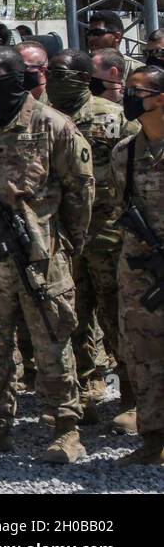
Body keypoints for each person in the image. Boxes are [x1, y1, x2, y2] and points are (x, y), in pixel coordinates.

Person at [0, 46, 94, 463]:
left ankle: (65, 427)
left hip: (40, 255)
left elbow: (80, 192)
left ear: (16, 79)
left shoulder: (53, 125)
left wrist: (67, 243)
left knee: (52, 339)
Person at [47, 49, 137, 424]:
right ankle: (86, 387)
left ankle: (132, 395)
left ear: (84, 78)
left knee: (116, 315)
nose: (52, 79)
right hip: (65, 236)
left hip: (109, 235)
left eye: (61, 73)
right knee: (73, 315)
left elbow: (136, 173)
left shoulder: (112, 116)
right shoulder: (46, 120)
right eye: (49, 72)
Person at [108, 65, 164, 463]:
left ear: (160, 98)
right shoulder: (124, 153)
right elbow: (118, 205)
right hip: (140, 270)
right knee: (142, 353)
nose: (129, 97)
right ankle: (154, 438)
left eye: (137, 91)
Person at [86, 11, 142, 76]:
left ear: (117, 37)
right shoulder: (82, 67)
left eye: (97, 33)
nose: (91, 38)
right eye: (89, 34)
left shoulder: (135, 70)